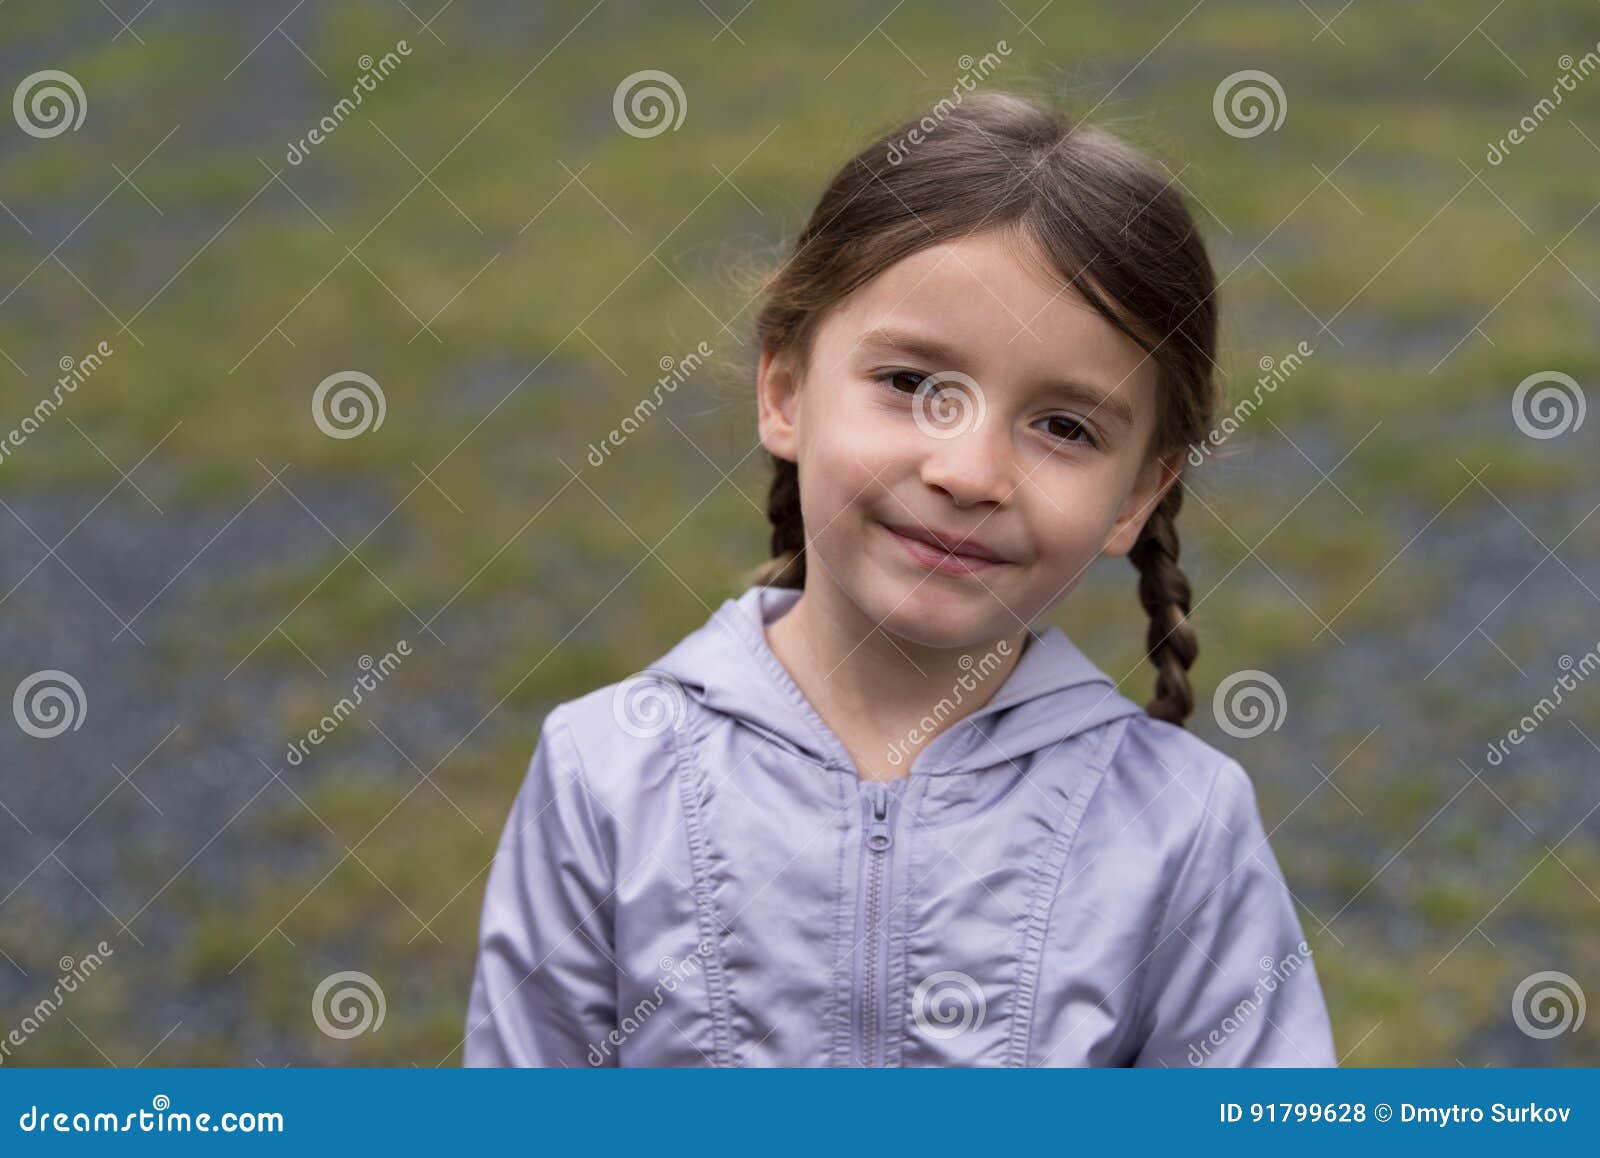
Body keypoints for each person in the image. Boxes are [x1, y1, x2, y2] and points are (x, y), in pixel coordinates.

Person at [463, 90, 1337, 1067]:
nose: (967, 474)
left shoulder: (1181, 831)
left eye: (1063, 426)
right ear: (785, 390)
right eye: (914, 385)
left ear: (1138, 491)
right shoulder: (606, 777)